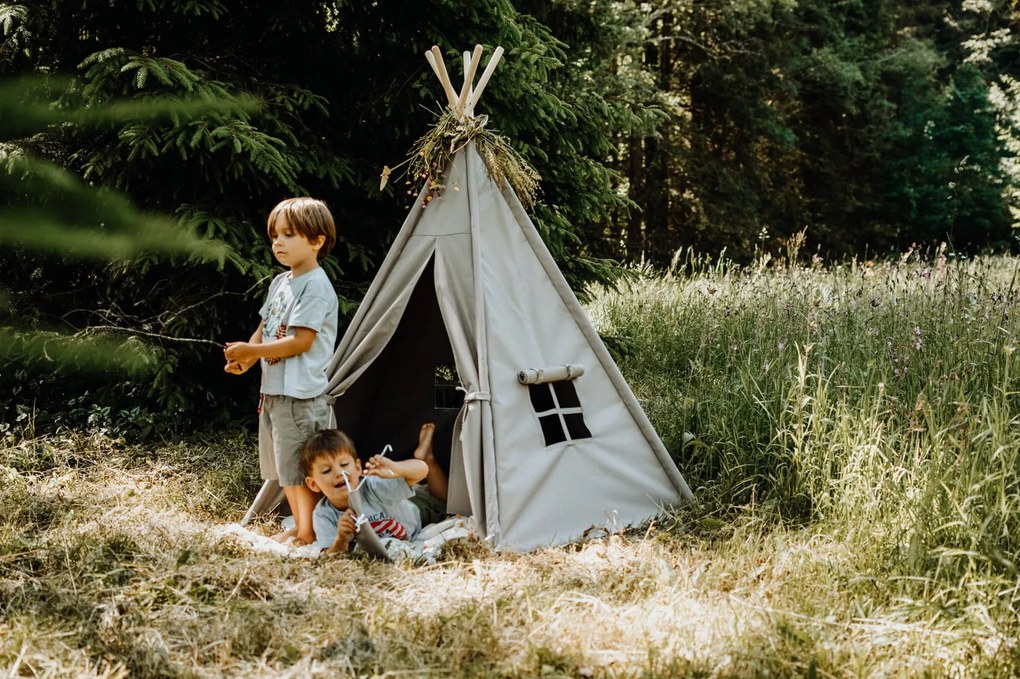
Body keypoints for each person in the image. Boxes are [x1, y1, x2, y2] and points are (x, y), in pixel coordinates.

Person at [224, 197, 339, 546]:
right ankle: (302, 524)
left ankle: (308, 532)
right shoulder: (280, 282)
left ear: (317, 240)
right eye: (275, 235)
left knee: (299, 467)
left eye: (289, 235)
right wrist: (246, 356)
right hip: (274, 391)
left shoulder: (317, 286)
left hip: (300, 394)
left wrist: (254, 351)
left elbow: (300, 341)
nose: (278, 243)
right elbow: (265, 325)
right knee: (283, 467)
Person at [301, 423, 448, 554]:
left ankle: (427, 457)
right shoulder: (323, 515)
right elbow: (330, 555)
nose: (339, 473)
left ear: (358, 467)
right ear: (313, 484)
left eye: (344, 464)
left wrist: (395, 468)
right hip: (394, 516)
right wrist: (341, 540)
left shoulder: (373, 486)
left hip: (414, 508)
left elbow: (422, 471)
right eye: (327, 470)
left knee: (443, 499)